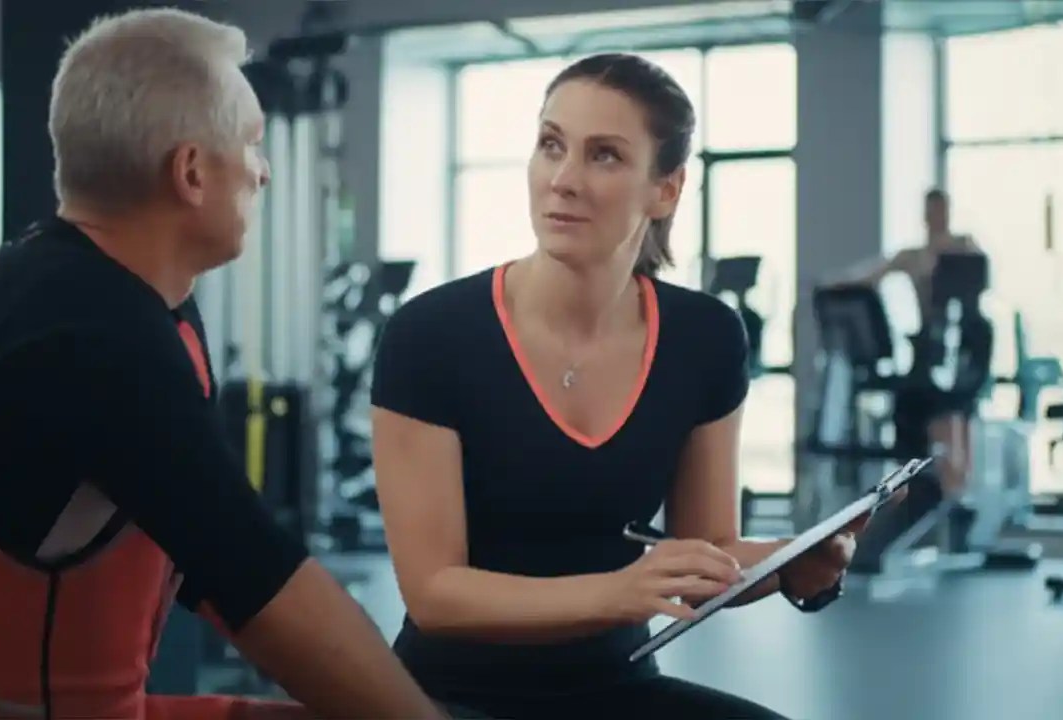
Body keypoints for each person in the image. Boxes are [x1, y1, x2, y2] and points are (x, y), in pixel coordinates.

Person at [0, 9, 443, 720]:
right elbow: (257, 578)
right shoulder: (88, 335)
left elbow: (204, 549)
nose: (263, 173)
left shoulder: (102, 293)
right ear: (191, 171)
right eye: (253, 145)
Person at [370, 53, 885, 720]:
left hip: (614, 687)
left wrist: (789, 562)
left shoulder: (705, 337)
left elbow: (709, 551)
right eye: (551, 145)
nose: (562, 180)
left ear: (665, 189)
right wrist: (617, 593)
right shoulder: (430, 334)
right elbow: (435, 595)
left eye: (604, 156)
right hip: (447, 699)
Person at [830, 188, 984, 497]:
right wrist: (831, 283)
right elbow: (869, 275)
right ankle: (913, 490)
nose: (936, 216)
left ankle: (956, 490)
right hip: (926, 349)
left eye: (941, 209)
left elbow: (979, 284)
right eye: (931, 210)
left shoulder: (963, 247)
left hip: (963, 347)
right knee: (910, 413)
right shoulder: (912, 256)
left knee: (954, 415)